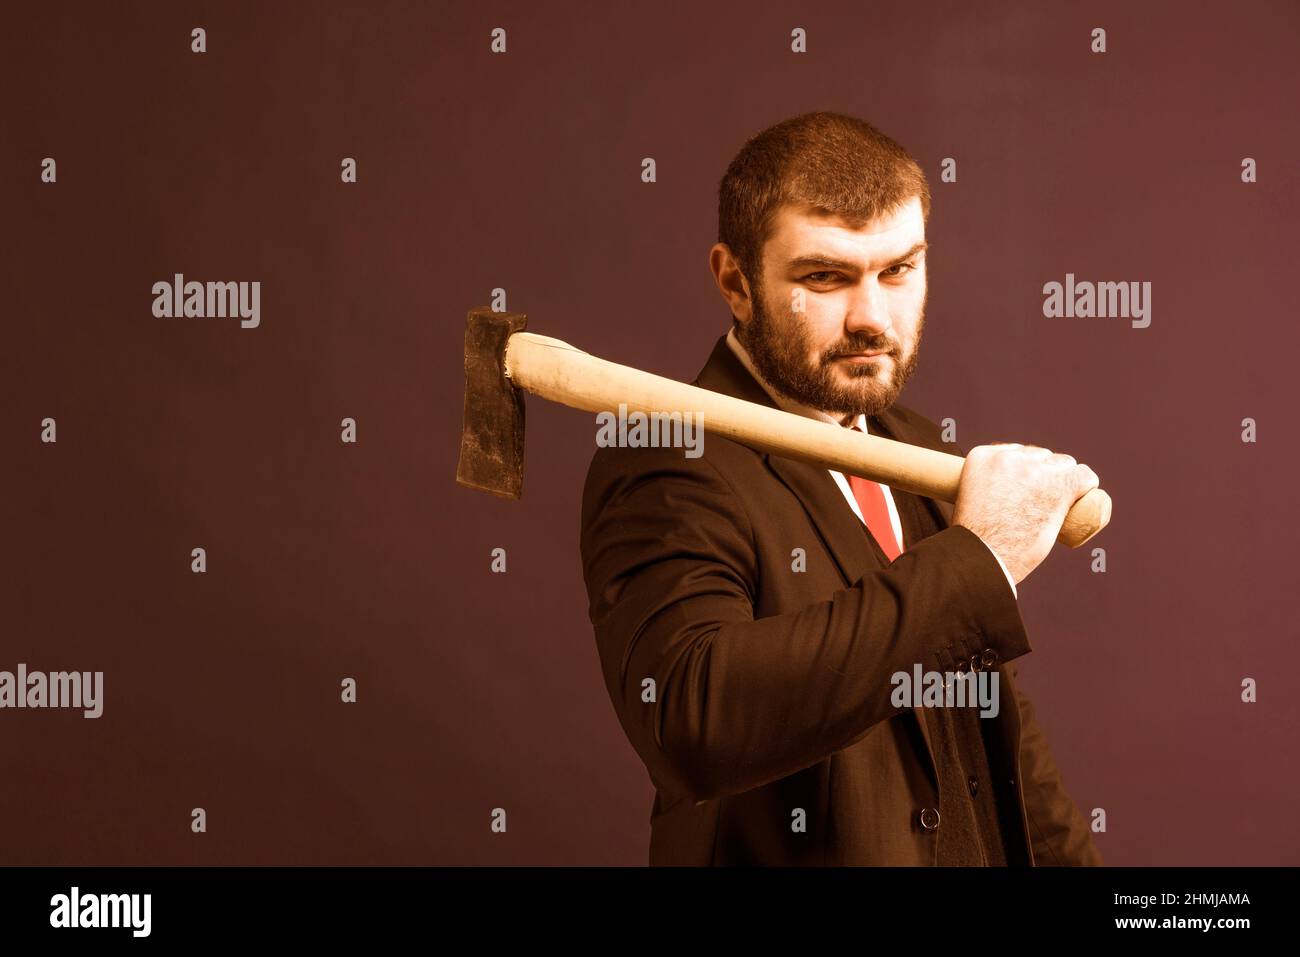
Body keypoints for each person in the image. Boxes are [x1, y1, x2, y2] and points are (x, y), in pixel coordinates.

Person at [579, 111, 1102, 866]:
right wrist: (976, 558)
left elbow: (998, 753)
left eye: (898, 270)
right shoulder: (668, 459)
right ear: (736, 281)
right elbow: (692, 718)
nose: (872, 317)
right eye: (824, 276)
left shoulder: (917, 449)